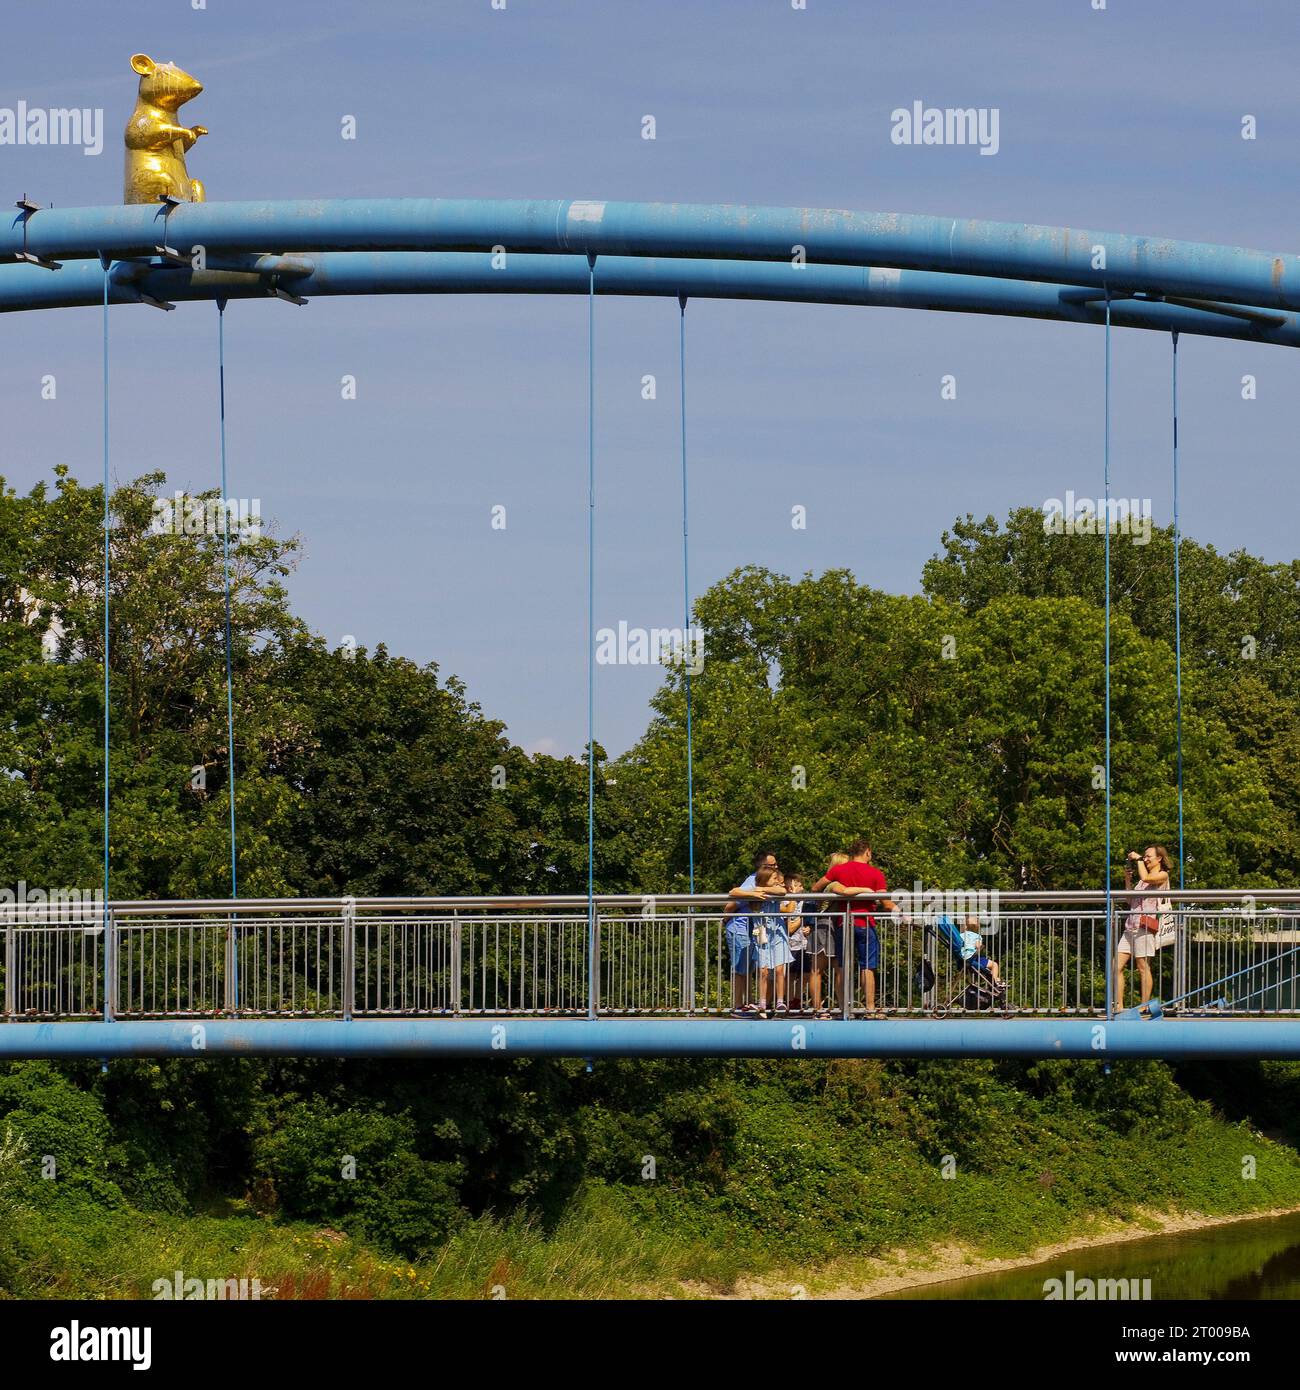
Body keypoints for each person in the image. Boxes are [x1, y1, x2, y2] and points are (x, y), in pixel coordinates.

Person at [820, 840, 893, 1016]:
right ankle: (869, 1008)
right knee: (867, 966)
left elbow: (816, 887)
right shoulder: (876, 873)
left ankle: (844, 1009)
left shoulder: (839, 870)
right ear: (867, 852)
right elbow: (887, 903)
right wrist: (903, 915)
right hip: (865, 923)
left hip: (843, 922)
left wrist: (836, 890)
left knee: (842, 966)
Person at [1116, 845, 1173, 1014]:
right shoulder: (1142, 880)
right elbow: (1129, 900)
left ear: (1159, 858)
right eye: (1144, 857)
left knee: (1142, 966)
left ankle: (1144, 1005)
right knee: (1115, 966)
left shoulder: (1162, 875)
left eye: (1148, 856)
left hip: (1146, 926)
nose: (1145, 859)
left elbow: (1148, 878)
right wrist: (1127, 880)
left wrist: (1138, 859)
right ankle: (1119, 1005)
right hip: (1130, 926)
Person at [725, 850, 781, 1015]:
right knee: (740, 967)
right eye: (773, 865)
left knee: (748, 967)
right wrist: (726, 919)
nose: (776, 867)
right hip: (739, 926)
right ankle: (737, 1005)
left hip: (750, 929)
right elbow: (732, 900)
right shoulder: (753, 881)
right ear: (763, 867)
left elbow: (782, 891)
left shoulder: (769, 882)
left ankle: (747, 1003)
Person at [809, 851, 848, 1017]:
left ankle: (842, 1007)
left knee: (840, 969)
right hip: (825, 927)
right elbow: (845, 891)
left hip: (836, 927)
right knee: (817, 969)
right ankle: (817, 1008)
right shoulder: (833, 884)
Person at [752, 867, 793, 1015]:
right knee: (763, 971)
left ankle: (780, 1001)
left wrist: (762, 890)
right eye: (774, 878)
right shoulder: (754, 890)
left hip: (777, 933)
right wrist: (757, 890)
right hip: (762, 933)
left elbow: (782, 892)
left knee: (779, 969)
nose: (777, 881)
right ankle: (762, 1002)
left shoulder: (774, 890)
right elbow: (735, 892)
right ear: (765, 879)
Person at [782, 873, 811, 1012]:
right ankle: (788, 1000)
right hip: (791, 945)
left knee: (806, 974)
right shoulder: (786, 903)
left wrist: (809, 926)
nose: (802, 887)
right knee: (791, 975)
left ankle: (796, 1000)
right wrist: (802, 918)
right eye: (799, 885)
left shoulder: (805, 902)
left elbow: (809, 920)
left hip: (804, 944)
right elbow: (790, 928)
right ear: (790, 887)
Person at [961, 916, 1005, 989]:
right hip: (973, 959)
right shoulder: (977, 936)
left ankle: (991, 980)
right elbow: (978, 946)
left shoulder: (960, 936)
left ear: (965, 926)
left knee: (985, 970)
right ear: (978, 927)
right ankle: (995, 982)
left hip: (962, 959)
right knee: (994, 965)